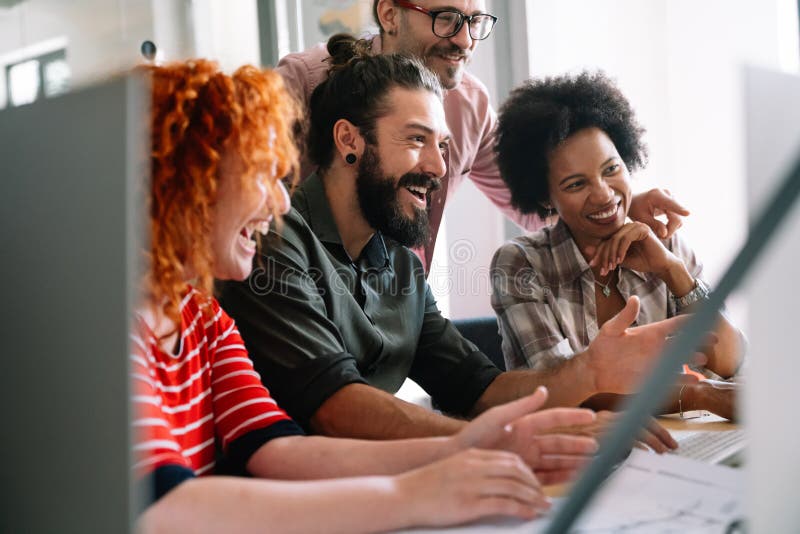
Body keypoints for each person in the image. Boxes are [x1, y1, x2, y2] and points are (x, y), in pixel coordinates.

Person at [133, 58, 601, 533]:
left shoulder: (206, 320)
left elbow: (276, 451)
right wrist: (413, 491)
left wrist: (467, 447)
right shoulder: (109, 328)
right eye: (263, 174)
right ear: (190, 182)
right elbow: (161, 507)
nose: (278, 202)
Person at [219, 37, 687, 456]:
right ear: (349, 141)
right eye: (417, 139)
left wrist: (589, 372)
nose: (439, 168)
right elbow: (335, 408)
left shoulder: (399, 262)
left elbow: (477, 387)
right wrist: (501, 441)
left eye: (442, 146)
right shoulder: (275, 242)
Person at [275, 0, 689, 271]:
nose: (464, 40)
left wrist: (618, 201)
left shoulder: (470, 105)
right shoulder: (301, 82)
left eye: (475, 21)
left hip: (394, 313)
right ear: (388, 14)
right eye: (447, 18)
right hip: (292, 308)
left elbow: (535, 201)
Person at [491, 71, 743, 421]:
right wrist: (700, 395)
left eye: (612, 169)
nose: (604, 194)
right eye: (577, 184)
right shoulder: (522, 264)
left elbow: (729, 361)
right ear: (544, 197)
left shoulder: (663, 244)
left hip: (676, 444)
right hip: (582, 454)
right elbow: (569, 391)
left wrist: (674, 272)